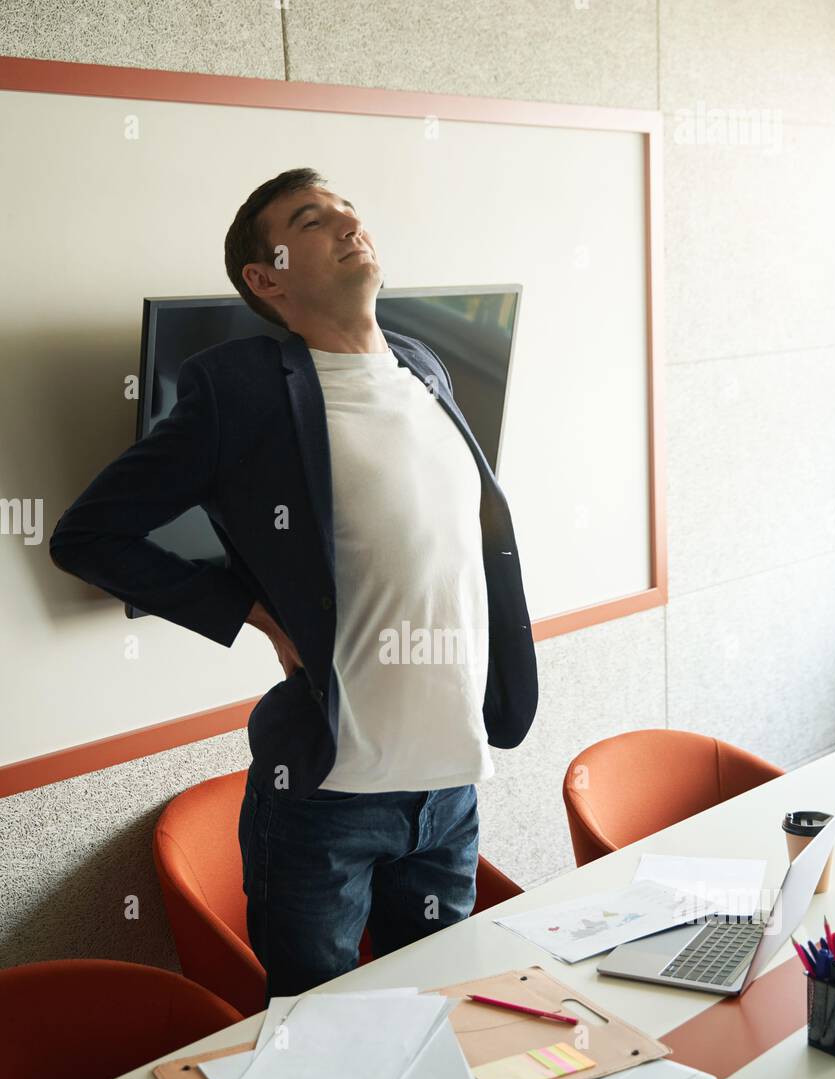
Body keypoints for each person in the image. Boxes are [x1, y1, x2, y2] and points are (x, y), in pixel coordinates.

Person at [50, 167, 538, 1002]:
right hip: (326, 795)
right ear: (265, 277)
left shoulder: (423, 365)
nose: (349, 224)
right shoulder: (236, 389)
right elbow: (88, 536)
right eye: (314, 219)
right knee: (318, 1040)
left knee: (447, 1016)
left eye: (350, 209)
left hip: (450, 781)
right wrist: (252, 614)